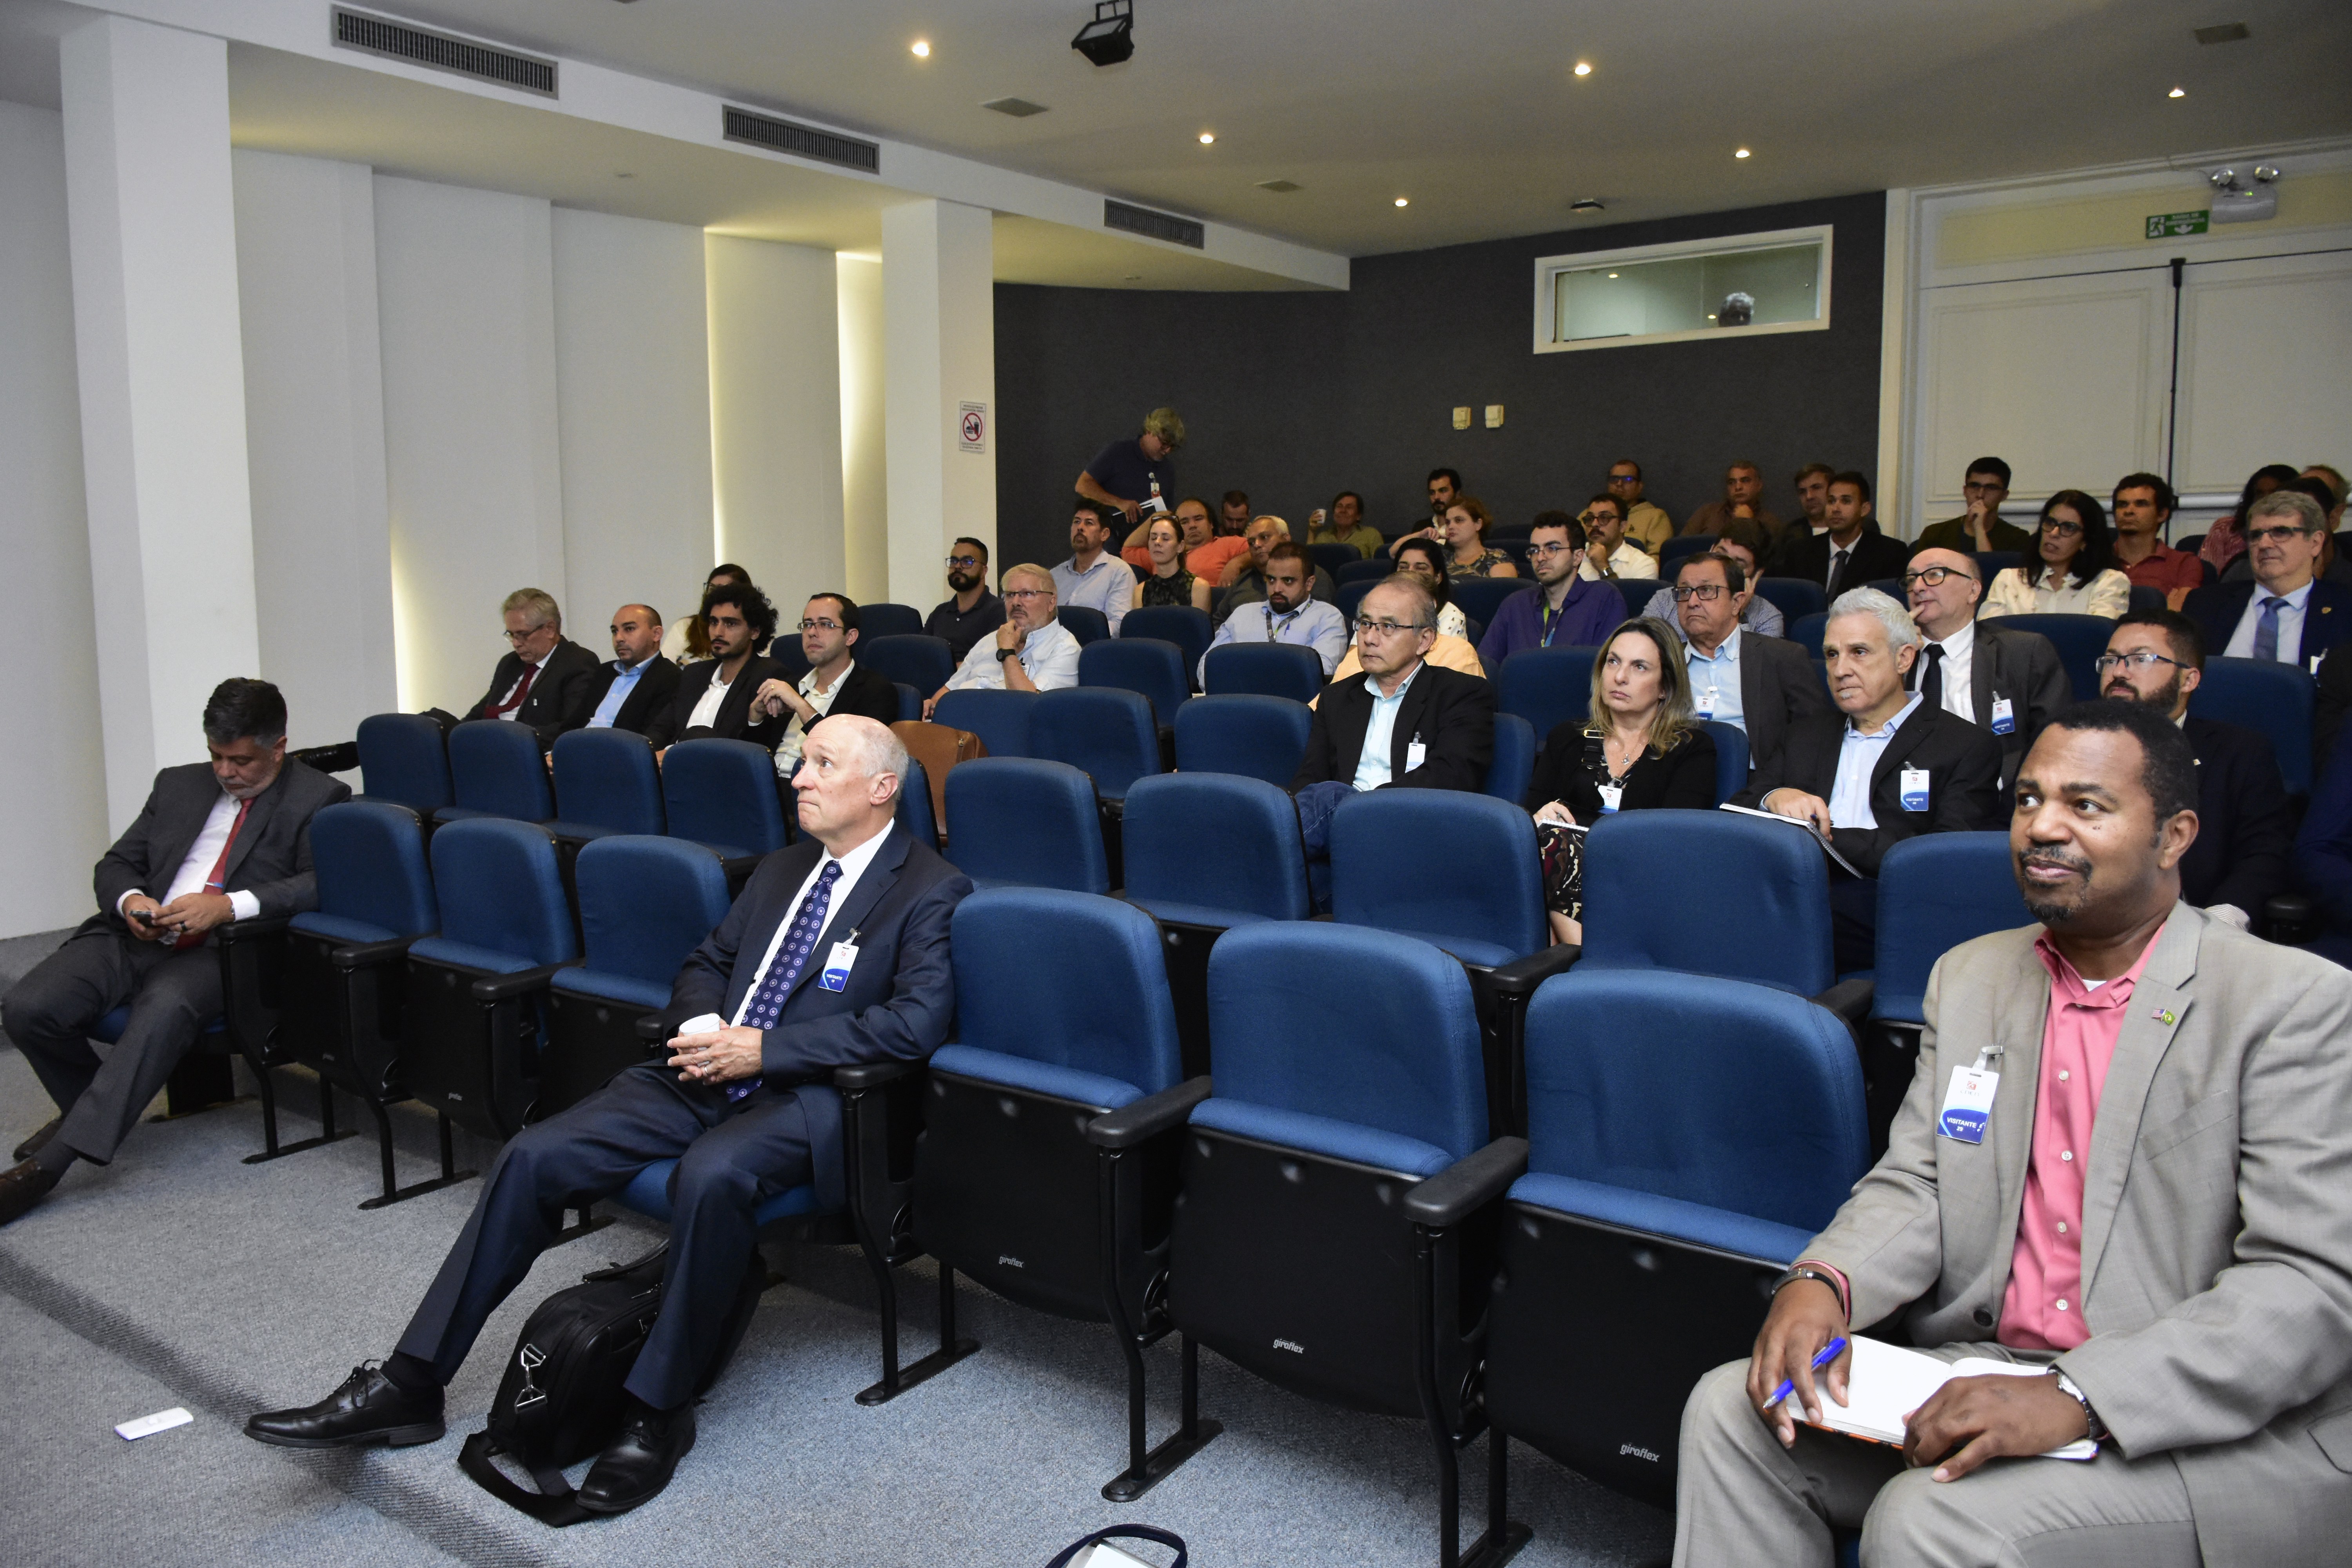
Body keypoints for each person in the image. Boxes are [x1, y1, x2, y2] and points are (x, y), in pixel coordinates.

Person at [1680, 699, 2352, 1568]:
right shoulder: (1971, 976)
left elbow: (2308, 1285)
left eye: (2087, 805)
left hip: (2202, 1428)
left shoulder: (2293, 1003)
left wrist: (2081, 1393)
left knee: (1931, 1518)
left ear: (2176, 835)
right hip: (1994, 1360)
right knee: (1732, 1410)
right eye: (2029, 799)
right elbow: (1920, 1178)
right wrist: (1824, 1278)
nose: (2042, 827)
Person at [246, 717, 971, 1514]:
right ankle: (411, 1381)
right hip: (699, 1072)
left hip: (807, 1095)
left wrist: (766, 1050)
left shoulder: (929, 885)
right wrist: (701, 1026)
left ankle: (657, 1410)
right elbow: (710, 962)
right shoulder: (784, 866)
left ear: (881, 787)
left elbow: (913, 1024)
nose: (798, 776)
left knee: (714, 1173)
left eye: (821, 764)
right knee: (533, 1153)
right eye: (801, 762)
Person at [1, 679, 349, 1225]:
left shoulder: (319, 796)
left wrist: (229, 906)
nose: (226, 772)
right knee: (27, 1007)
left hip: (220, 951)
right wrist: (131, 899)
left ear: (278, 746)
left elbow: (320, 884)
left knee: (161, 1010)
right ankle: (84, 1113)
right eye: (216, 756)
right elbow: (115, 864)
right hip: (137, 934)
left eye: (241, 760)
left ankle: (49, 1166)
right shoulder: (178, 785)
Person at [1735, 588, 2003, 970]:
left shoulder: (1965, 745)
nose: (1841, 668)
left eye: (1859, 652)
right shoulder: (1805, 735)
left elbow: (1941, 857)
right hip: (1789, 887)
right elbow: (1739, 807)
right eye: (1831, 654)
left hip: (1887, 899)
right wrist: (1775, 798)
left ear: (1903, 658)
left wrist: (1821, 837)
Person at [1524, 619, 1717, 945]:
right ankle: (1587, 956)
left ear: (1665, 687)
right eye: (1613, 662)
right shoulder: (1566, 737)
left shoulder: (1690, 748)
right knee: (1546, 839)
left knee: (1556, 849)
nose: (1620, 676)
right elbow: (1528, 817)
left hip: (1640, 879)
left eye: (1639, 667)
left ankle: (1575, 955)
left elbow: (1674, 839)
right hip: (1556, 872)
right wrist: (1541, 817)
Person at [2097, 609, 2288, 928]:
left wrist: (2219, 922)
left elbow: (2265, 854)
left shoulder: (2240, 752)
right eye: (2111, 660)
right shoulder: (2066, 744)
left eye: (2141, 660)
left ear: (2189, 679)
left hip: (2199, 924)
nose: (2120, 672)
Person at [1289, 578, 1497, 861]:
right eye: (1365, 623)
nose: (1370, 638)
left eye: (1388, 627)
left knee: (1330, 798)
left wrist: (1359, 808)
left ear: (1424, 640)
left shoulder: (1462, 694)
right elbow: (1309, 779)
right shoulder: (1337, 698)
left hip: (1413, 838)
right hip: (1340, 846)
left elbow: (1450, 777)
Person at [1904, 548, 2073, 789]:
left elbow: (2055, 738)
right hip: (1910, 798)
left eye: (1934, 575)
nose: (1918, 587)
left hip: (1997, 797)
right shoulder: (1895, 660)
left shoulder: (2023, 652)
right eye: (1911, 579)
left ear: (1973, 590)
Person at [1674, 553, 1828, 767]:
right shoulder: (1665, 663)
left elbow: (1813, 738)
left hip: (1756, 784)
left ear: (1737, 603)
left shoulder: (1782, 658)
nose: (1692, 602)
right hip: (1678, 784)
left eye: (1706, 591)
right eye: (1684, 592)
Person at [2183, 489, 2352, 671]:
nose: (2264, 544)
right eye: (2256, 535)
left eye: (2280, 532)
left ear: (2316, 543)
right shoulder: (2205, 604)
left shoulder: (2345, 608)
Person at [753, 595, 901, 779]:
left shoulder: (875, 691)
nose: (812, 633)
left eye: (825, 625)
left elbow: (848, 759)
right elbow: (755, 758)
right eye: (807, 624)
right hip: (767, 787)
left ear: (850, 637)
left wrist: (801, 706)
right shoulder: (791, 685)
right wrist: (755, 718)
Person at [644, 581, 788, 756]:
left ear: (755, 632)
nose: (718, 632)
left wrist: (673, 756)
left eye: (730, 624)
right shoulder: (694, 674)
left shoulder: (767, 675)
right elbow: (661, 729)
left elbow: (747, 744)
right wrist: (646, 755)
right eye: (714, 622)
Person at [924, 564, 1080, 715]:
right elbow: (948, 690)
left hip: (1003, 734)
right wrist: (932, 704)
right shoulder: (990, 640)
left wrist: (1007, 652)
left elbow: (1029, 709)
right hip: (959, 726)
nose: (1016, 602)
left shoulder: (1065, 648)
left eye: (1027, 594)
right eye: (1010, 595)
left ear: (1051, 602)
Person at [1479, 510, 1622, 664]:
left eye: (1552, 549)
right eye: (1534, 551)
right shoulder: (1515, 605)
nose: (1540, 558)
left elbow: (1607, 669)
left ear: (1578, 557)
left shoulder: (1603, 598)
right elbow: (1484, 668)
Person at [461, 588, 603, 743]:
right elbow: (481, 712)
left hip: (526, 750)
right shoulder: (510, 663)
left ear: (550, 629)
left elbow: (572, 727)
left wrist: (510, 740)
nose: (516, 643)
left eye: (523, 635)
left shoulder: (577, 663)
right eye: (512, 635)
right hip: (488, 746)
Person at [1199, 542, 1349, 685]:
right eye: (1271, 580)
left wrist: (1246, 677)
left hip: (1295, 707)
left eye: (1288, 581)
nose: (1277, 589)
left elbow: (1320, 674)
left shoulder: (1328, 617)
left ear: (1309, 583)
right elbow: (1207, 666)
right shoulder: (1242, 614)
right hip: (1237, 702)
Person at [1982, 491, 2132, 619]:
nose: (2054, 534)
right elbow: (1990, 641)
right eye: (2050, 523)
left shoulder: (2109, 582)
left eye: (2069, 528)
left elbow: (2097, 641)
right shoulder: (2009, 580)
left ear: (2086, 541)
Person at [1777, 472, 1908, 599]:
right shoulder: (1799, 551)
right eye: (1831, 501)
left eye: (1846, 501)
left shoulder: (1889, 552)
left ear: (1864, 509)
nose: (1836, 509)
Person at [1642, 532, 1786, 640]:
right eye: (1720, 554)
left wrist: (1737, 614)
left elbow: (1755, 671)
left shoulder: (1768, 617)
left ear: (1757, 574)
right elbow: (1642, 647)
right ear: (1710, 550)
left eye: (1738, 564)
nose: (1723, 567)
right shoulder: (1665, 599)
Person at [580, 604, 682, 735]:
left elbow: (650, 738)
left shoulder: (670, 678)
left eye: (629, 629)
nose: (619, 638)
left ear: (656, 634)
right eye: (614, 631)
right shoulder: (604, 672)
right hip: (577, 749)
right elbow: (575, 722)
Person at [1074, 406, 1183, 527]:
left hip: (1149, 540)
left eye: (1173, 447)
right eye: (1164, 443)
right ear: (1149, 431)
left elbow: (1168, 510)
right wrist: (1119, 503)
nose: (1167, 451)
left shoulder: (1168, 469)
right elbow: (1083, 485)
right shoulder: (1119, 452)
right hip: (1112, 536)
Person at [1216, 515, 1337, 622]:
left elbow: (1321, 619)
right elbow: (1220, 619)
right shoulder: (1243, 580)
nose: (1257, 545)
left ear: (1286, 539)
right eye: (1251, 542)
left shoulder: (1312, 575)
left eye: (1264, 537)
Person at [2110, 472, 2204, 607]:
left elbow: (2179, 614)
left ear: (2162, 514)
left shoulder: (2184, 563)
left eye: (2141, 504)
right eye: (2122, 505)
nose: (2129, 511)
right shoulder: (2095, 560)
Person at [1909, 456, 2033, 556]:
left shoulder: (2017, 538)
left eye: (1991, 488)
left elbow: (1993, 579)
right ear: (1965, 491)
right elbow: (1915, 578)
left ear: (2004, 495)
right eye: (1974, 486)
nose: (1980, 494)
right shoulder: (1935, 534)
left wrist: (1979, 529)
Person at [2198, 462, 2301, 577]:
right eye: (2260, 493)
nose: (2266, 499)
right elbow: (2207, 576)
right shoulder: (2225, 527)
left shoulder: (2300, 529)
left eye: (2275, 493)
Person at [1051, 502, 1136, 635]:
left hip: (1093, 650)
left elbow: (1119, 625)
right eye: (1077, 522)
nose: (1080, 528)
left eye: (1089, 523)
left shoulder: (1119, 572)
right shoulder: (1054, 575)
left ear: (1105, 534)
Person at [924, 537, 1006, 662]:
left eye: (967, 562)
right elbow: (920, 652)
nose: (958, 566)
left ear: (984, 571)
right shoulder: (940, 612)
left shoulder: (998, 611)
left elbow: (991, 662)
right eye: (954, 561)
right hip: (932, 679)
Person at [661, 564, 751, 665]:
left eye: (723, 590)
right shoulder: (685, 626)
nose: (715, 595)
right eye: (712, 589)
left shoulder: (752, 630)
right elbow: (666, 671)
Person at [1680, 460, 1786, 544]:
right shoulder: (1707, 513)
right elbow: (1681, 547)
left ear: (1759, 485)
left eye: (1745, 481)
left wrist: (1749, 523)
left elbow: (1770, 560)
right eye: (1732, 482)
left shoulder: (1771, 523)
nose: (1738, 487)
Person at [1394, 537, 1472, 641]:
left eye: (1421, 568)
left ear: (1437, 577)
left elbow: (1436, 657)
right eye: (1403, 567)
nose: (1410, 574)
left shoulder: (1450, 617)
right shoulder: (1380, 608)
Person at [1135, 514, 1210, 612]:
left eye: (1166, 539)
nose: (1157, 542)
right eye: (1153, 538)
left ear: (1181, 546)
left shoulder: (1199, 587)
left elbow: (1198, 627)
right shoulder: (1140, 591)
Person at [1577, 493, 1656, 583]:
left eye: (1604, 518)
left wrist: (1603, 567)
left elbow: (1627, 598)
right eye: (1590, 518)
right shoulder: (1574, 556)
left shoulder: (1643, 565)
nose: (1595, 524)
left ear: (1623, 526)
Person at [1385, 469, 1464, 557]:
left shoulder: (1463, 526)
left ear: (1458, 494)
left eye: (1443, 491)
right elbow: (1394, 554)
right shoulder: (1421, 526)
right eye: (1432, 493)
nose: (1437, 497)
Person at [1607, 459, 1673, 559]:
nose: (1619, 484)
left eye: (1628, 479)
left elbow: (1657, 559)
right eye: (1614, 479)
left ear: (1640, 487)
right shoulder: (1591, 515)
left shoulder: (1655, 517)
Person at [1307, 491, 1384, 558]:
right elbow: (1309, 564)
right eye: (1339, 507)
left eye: (1349, 507)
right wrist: (1312, 531)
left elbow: (1381, 566)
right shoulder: (1323, 537)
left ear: (1359, 516)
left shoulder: (1370, 535)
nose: (1343, 511)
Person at [1787, 463, 1834, 547]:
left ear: (1833, 489)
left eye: (1816, 488)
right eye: (1803, 492)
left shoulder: (1850, 532)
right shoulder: (1789, 535)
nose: (1809, 496)